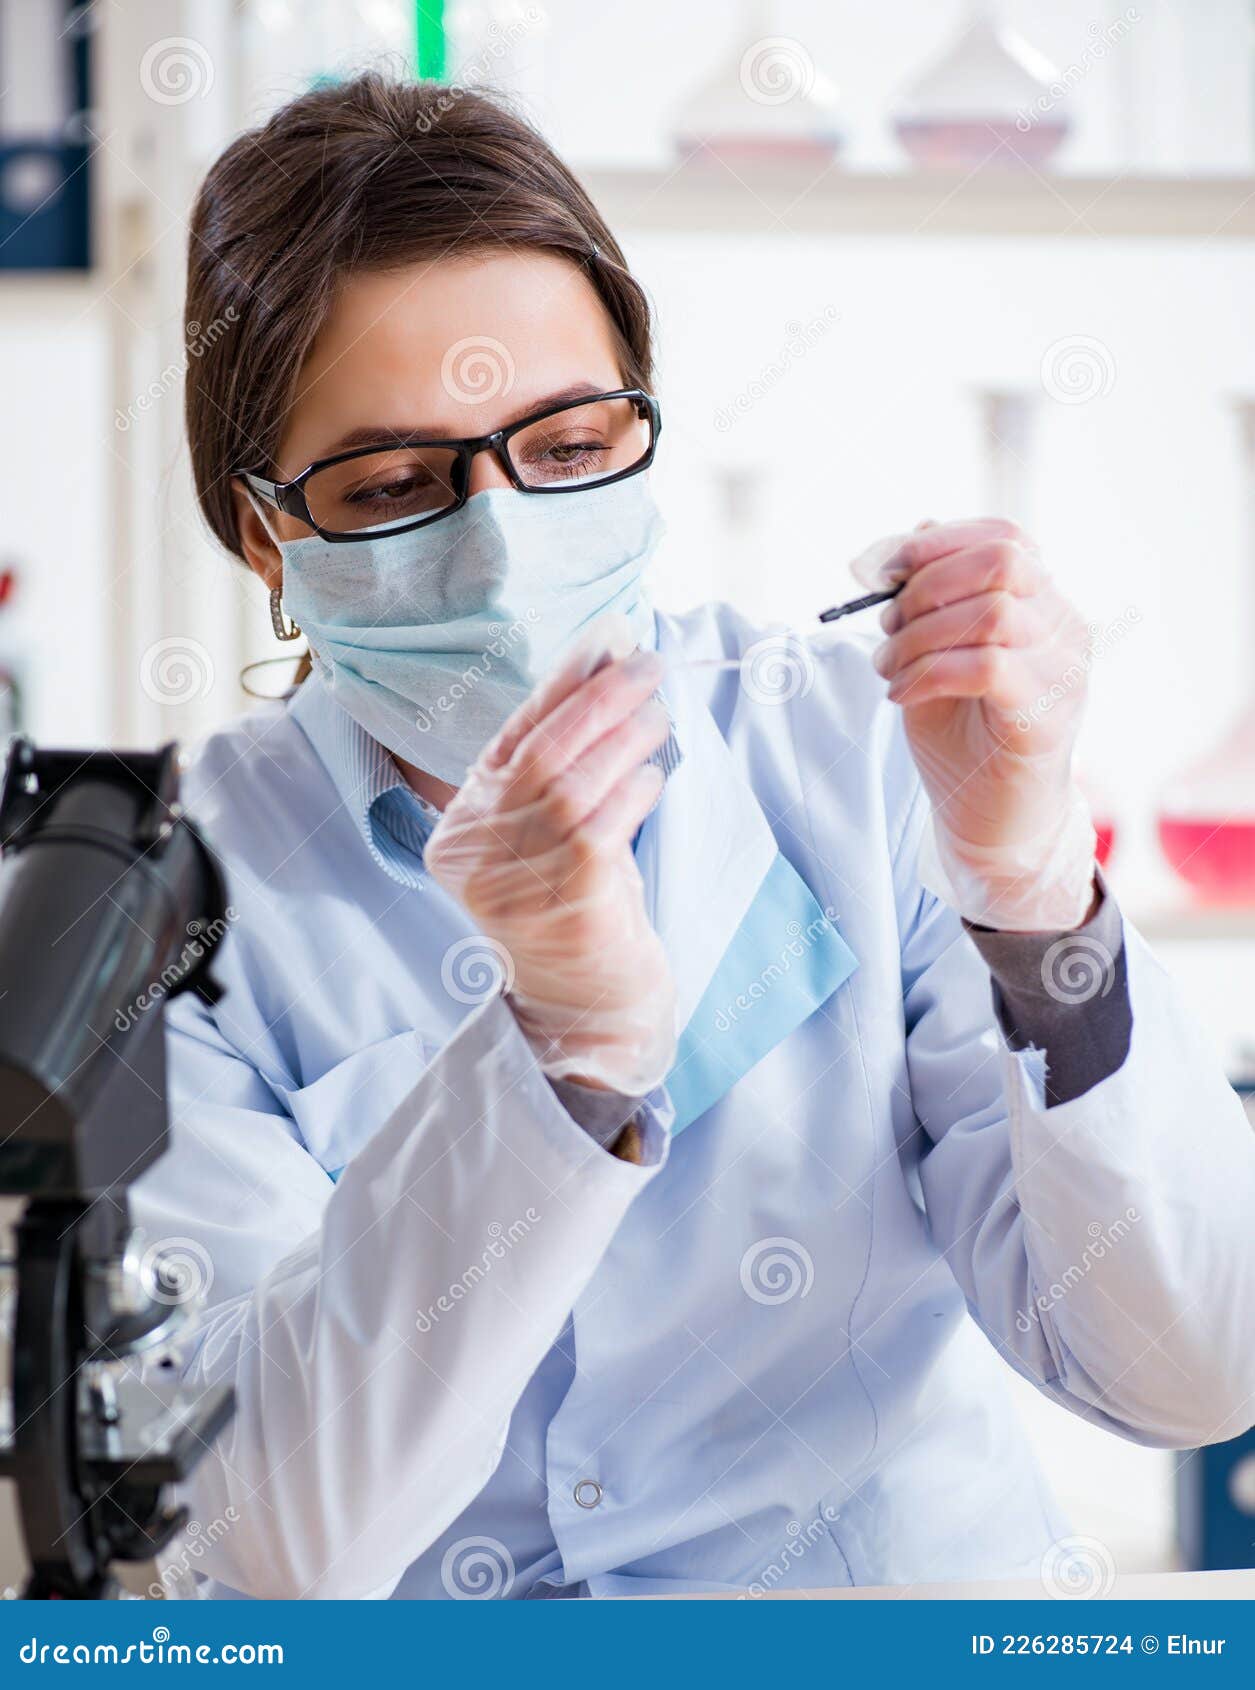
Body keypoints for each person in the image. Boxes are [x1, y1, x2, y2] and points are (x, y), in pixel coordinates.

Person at [133, 71, 1255, 1600]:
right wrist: (555, 1058)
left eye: (573, 446)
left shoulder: (859, 755)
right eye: (394, 483)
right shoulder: (160, 894)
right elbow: (264, 1545)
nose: (503, 534)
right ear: (266, 532)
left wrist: (1034, 890)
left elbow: (1191, 1373)